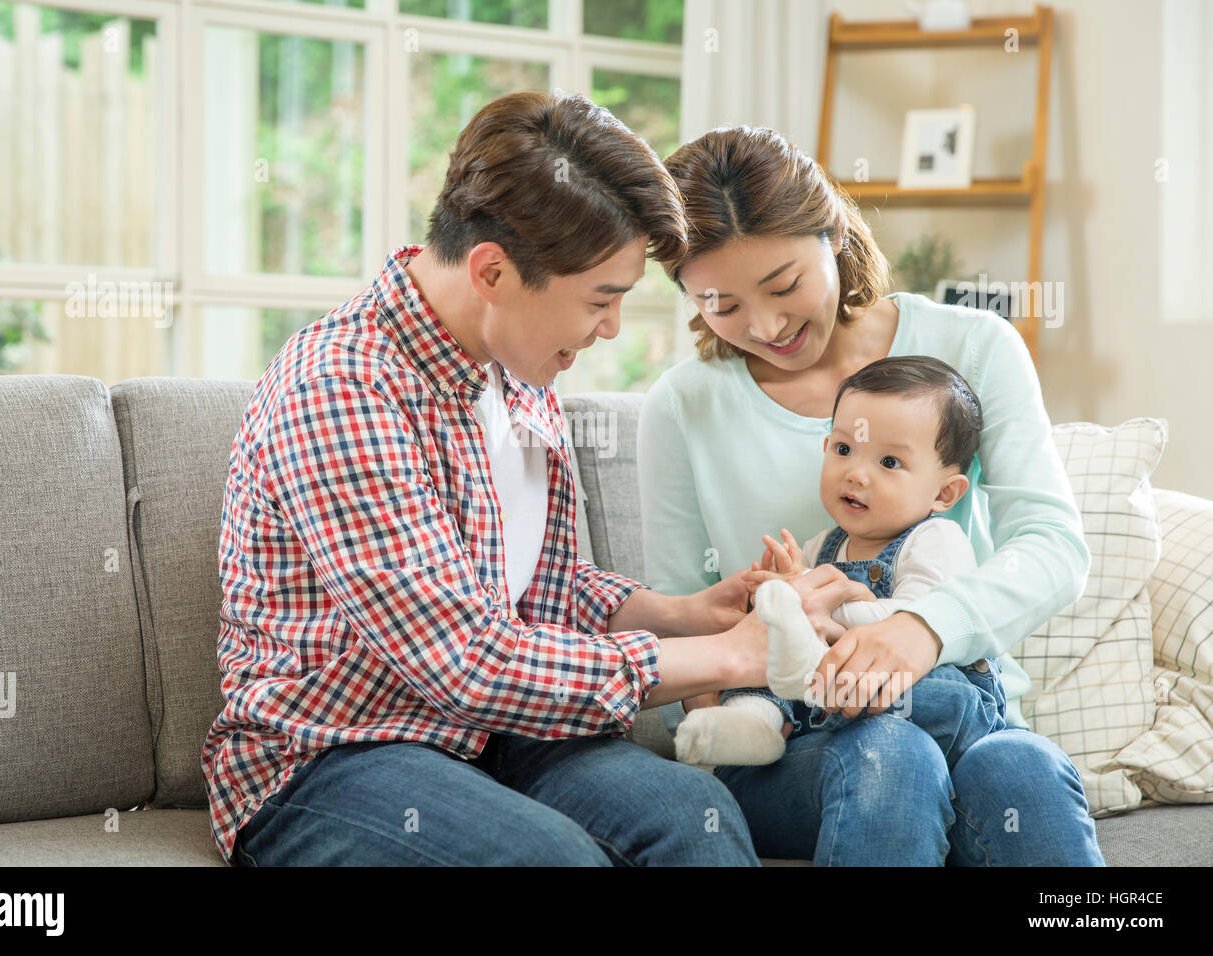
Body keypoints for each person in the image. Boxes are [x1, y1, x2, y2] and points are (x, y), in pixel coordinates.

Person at [201, 91, 785, 867]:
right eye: (600, 300)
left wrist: (691, 614)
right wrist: (730, 658)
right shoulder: (341, 386)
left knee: (693, 815)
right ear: (493, 270)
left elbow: (537, 593)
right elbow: (466, 657)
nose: (610, 328)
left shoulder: (518, 369)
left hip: (495, 734)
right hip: (333, 755)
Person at [638, 125, 1104, 865]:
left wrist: (920, 628)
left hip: (960, 715)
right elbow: (677, 610)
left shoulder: (975, 346)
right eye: (721, 304)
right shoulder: (682, 404)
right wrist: (737, 725)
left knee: (1025, 766)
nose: (766, 326)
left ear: (833, 233)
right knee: (893, 754)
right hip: (790, 745)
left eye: (785, 284)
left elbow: (1052, 546)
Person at [673, 356, 1005, 773]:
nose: (856, 475)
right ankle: (754, 725)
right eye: (844, 449)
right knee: (766, 652)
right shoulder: (821, 547)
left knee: (938, 688)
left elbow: (915, 620)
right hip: (840, 709)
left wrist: (817, 611)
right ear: (826, 447)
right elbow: (789, 632)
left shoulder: (935, 540)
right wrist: (775, 593)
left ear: (944, 494)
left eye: (888, 463)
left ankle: (783, 717)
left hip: (926, 699)